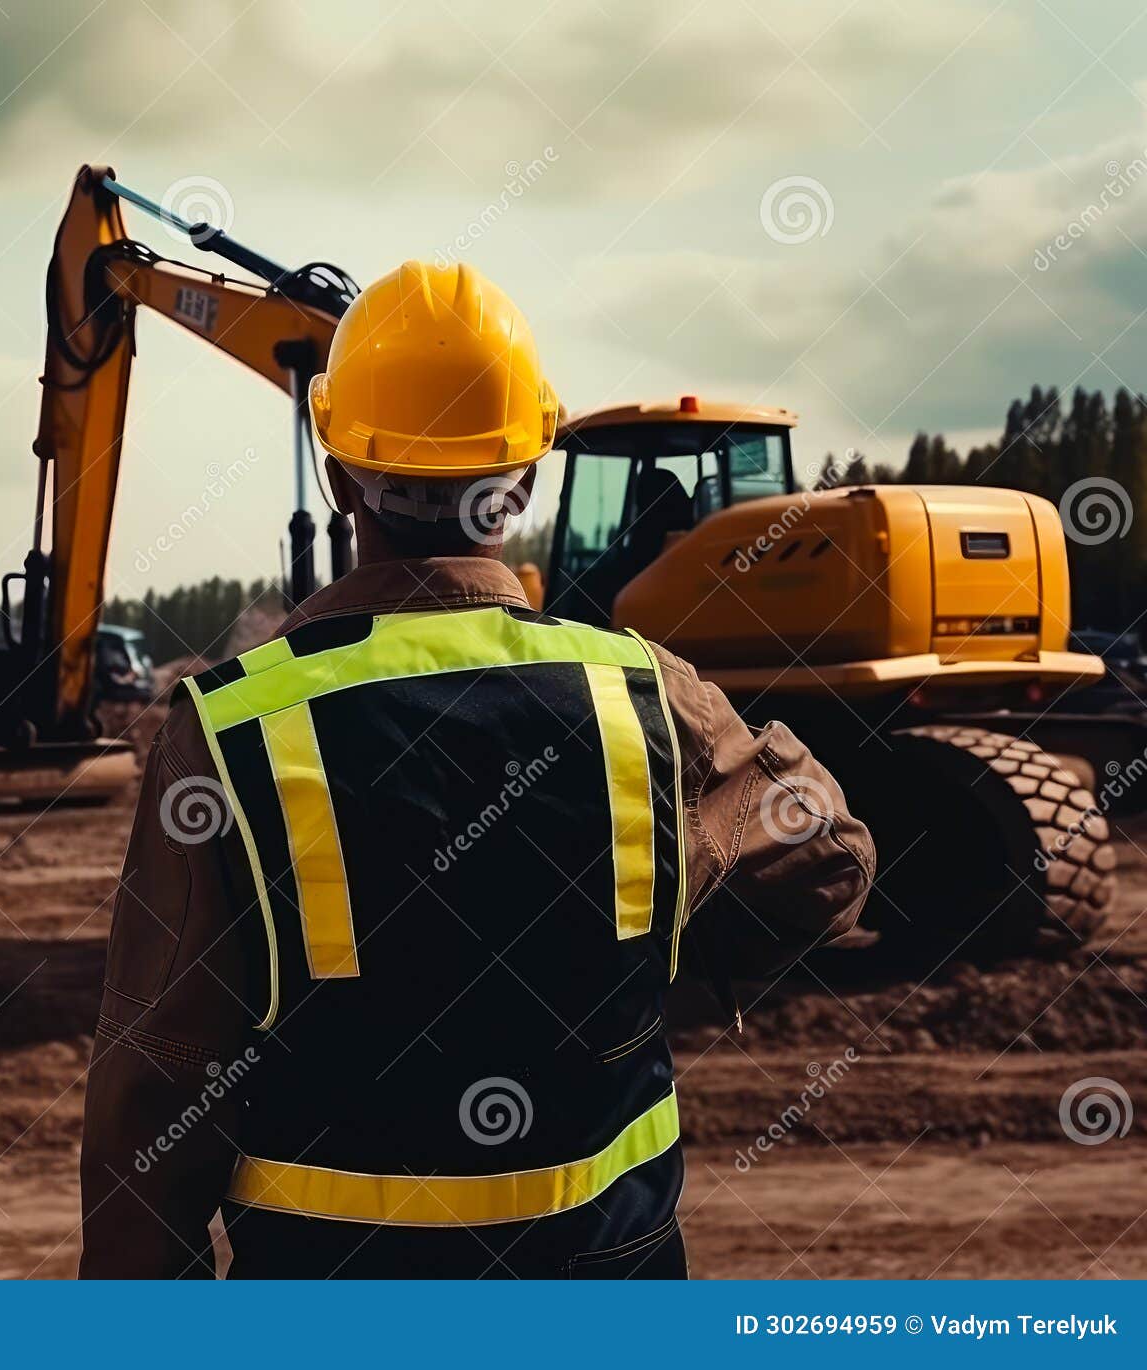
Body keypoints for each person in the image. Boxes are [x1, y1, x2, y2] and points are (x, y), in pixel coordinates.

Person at [79, 261, 873, 1279]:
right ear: (527, 474)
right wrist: (683, 895)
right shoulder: (648, 695)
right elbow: (831, 863)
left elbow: (155, 1082)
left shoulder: (231, 727)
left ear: (335, 470)